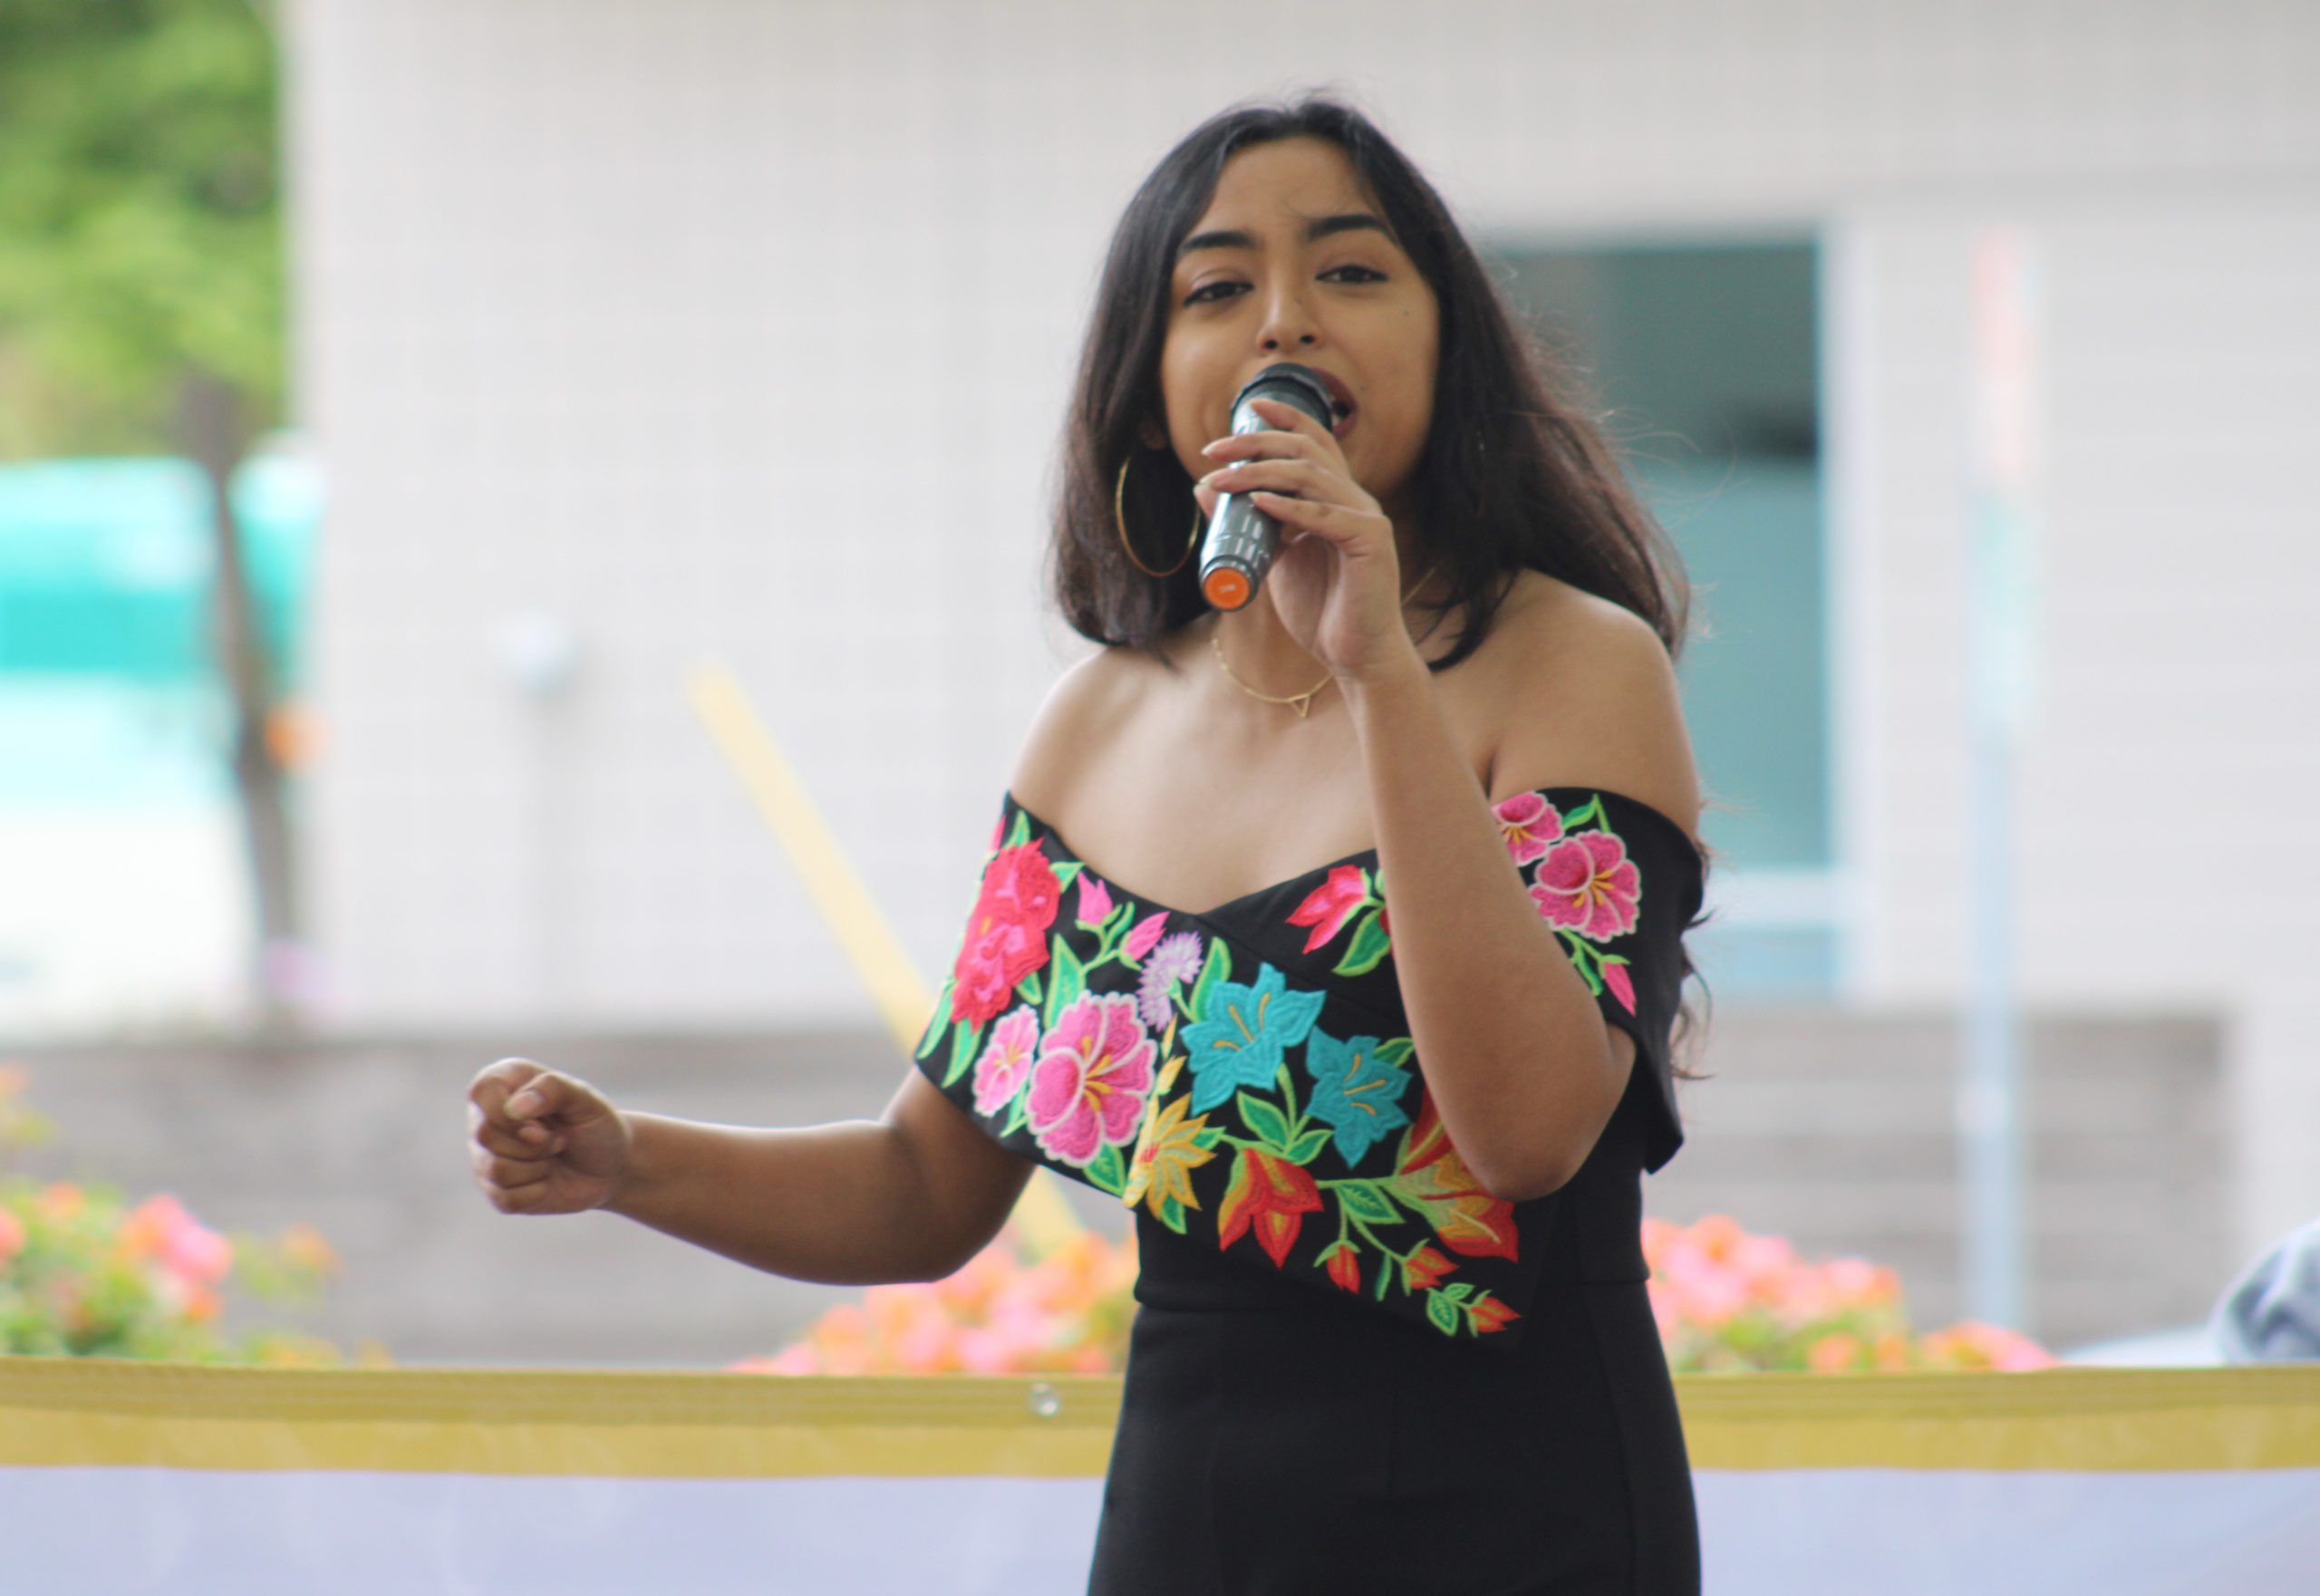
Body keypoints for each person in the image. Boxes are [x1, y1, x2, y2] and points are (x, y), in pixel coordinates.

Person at [469, 92, 1712, 1594]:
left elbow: (1525, 1135)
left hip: (1520, 1507)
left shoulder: (1573, 658)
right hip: (1193, 1513)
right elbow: (925, 1186)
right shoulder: (1093, 728)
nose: (1283, 326)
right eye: (1216, 288)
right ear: (1150, 397)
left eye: (1351, 272)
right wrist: (626, 1157)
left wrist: (1382, 664)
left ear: (1451, 353)